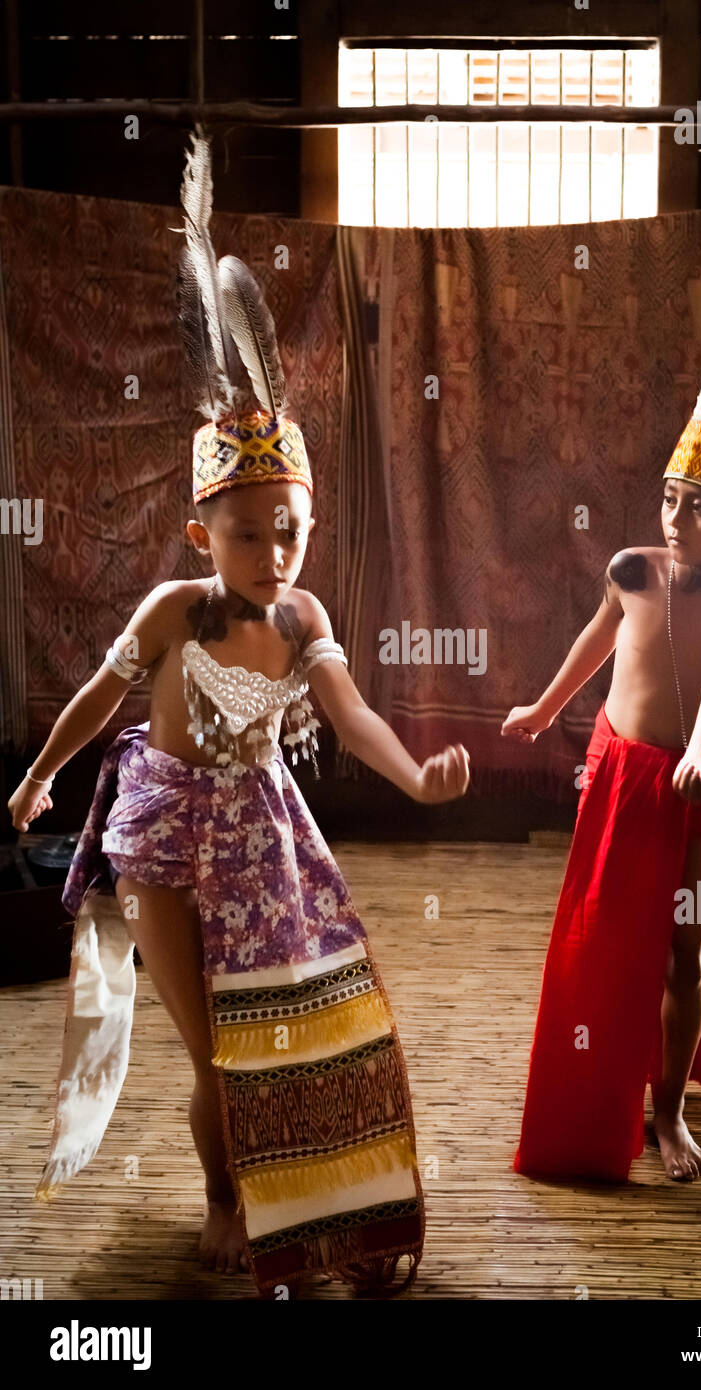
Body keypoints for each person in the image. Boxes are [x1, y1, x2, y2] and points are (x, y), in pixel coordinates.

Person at [9, 129, 469, 1297]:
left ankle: (320, 1192)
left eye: (291, 529)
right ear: (199, 529)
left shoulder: (304, 616)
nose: (274, 550)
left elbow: (351, 714)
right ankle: (223, 1197)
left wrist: (414, 779)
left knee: (289, 1025)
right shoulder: (174, 609)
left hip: (262, 831)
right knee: (213, 1043)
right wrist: (36, 778)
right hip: (163, 836)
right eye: (250, 530)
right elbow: (97, 696)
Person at [503, 189, 701, 1184]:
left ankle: (668, 1116)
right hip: (620, 771)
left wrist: (694, 753)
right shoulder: (632, 567)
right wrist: (546, 708)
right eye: (670, 500)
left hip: (690, 783)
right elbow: (595, 642)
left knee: (684, 949)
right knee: (604, 944)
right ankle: (592, 1101)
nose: (676, 519)